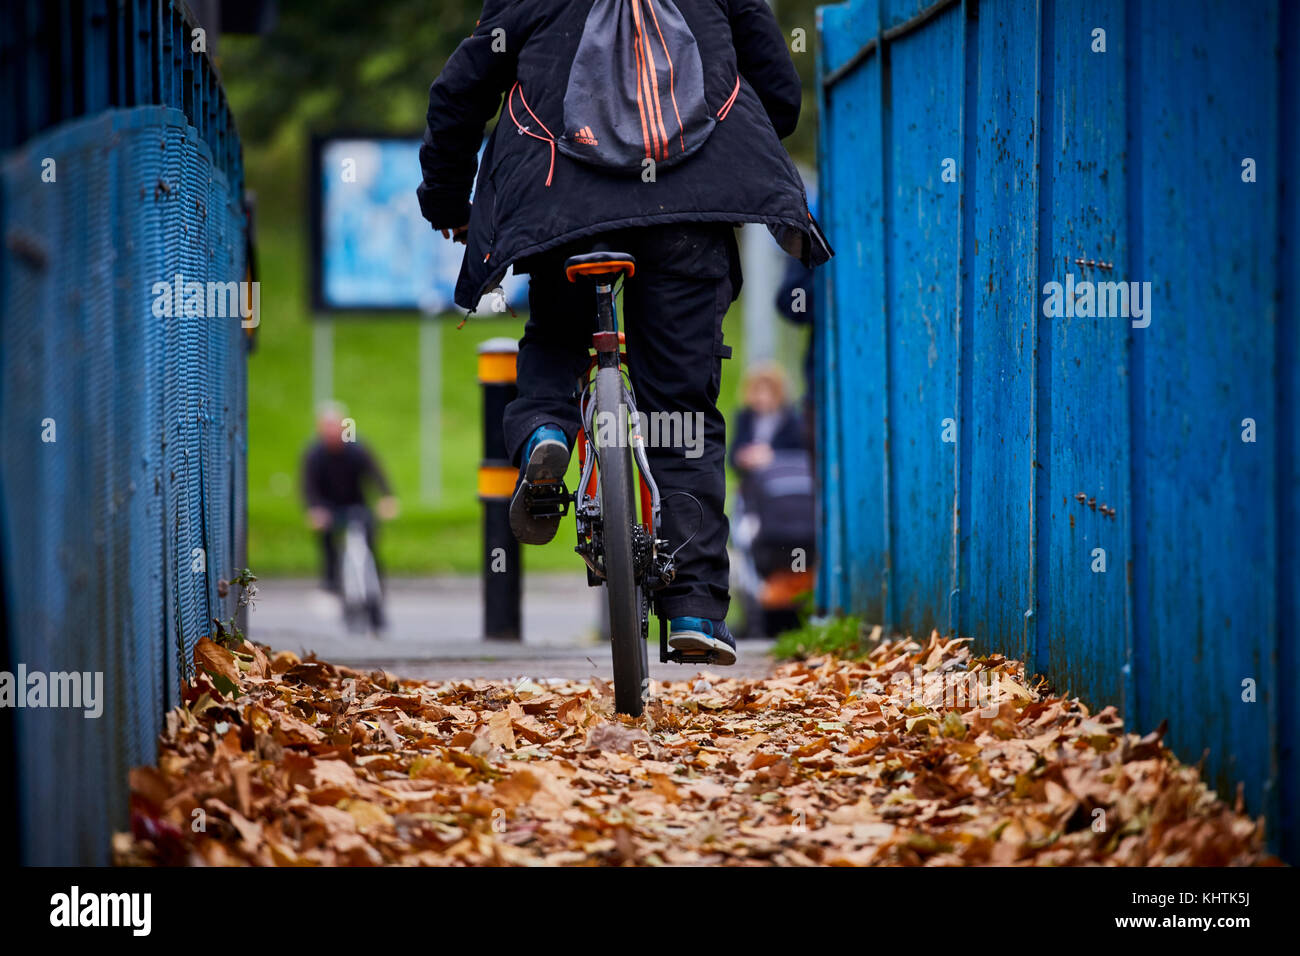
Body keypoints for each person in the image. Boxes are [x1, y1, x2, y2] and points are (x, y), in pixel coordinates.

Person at [417, 0, 831, 665]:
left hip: (566, 211)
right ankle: (695, 607)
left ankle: (549, 435)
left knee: (555, 340)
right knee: (683, 409)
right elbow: (779, 96)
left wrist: (446, 200)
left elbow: (460, 92)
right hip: (689, 215)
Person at [301, 402, 399, 594]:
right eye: (326, 427)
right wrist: (314, 509)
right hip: (327, 506)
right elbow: (308, 485)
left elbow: (376, 473)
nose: (331, 432)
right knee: (327, 540)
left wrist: (387, 497)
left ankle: (376, 587)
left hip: (356, 504)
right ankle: (331, 581)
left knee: (369, 540)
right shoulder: (314, 454)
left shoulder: (356, 449)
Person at [730, 362, 806, 476]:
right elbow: (732, 457)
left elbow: (800, 455)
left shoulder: (792, 420)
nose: (762, 397)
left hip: (783, 481)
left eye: (768, 392)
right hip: (751, 483)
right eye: (757, 391)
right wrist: (743, 457)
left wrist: (772, 457)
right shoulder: (744, 417)